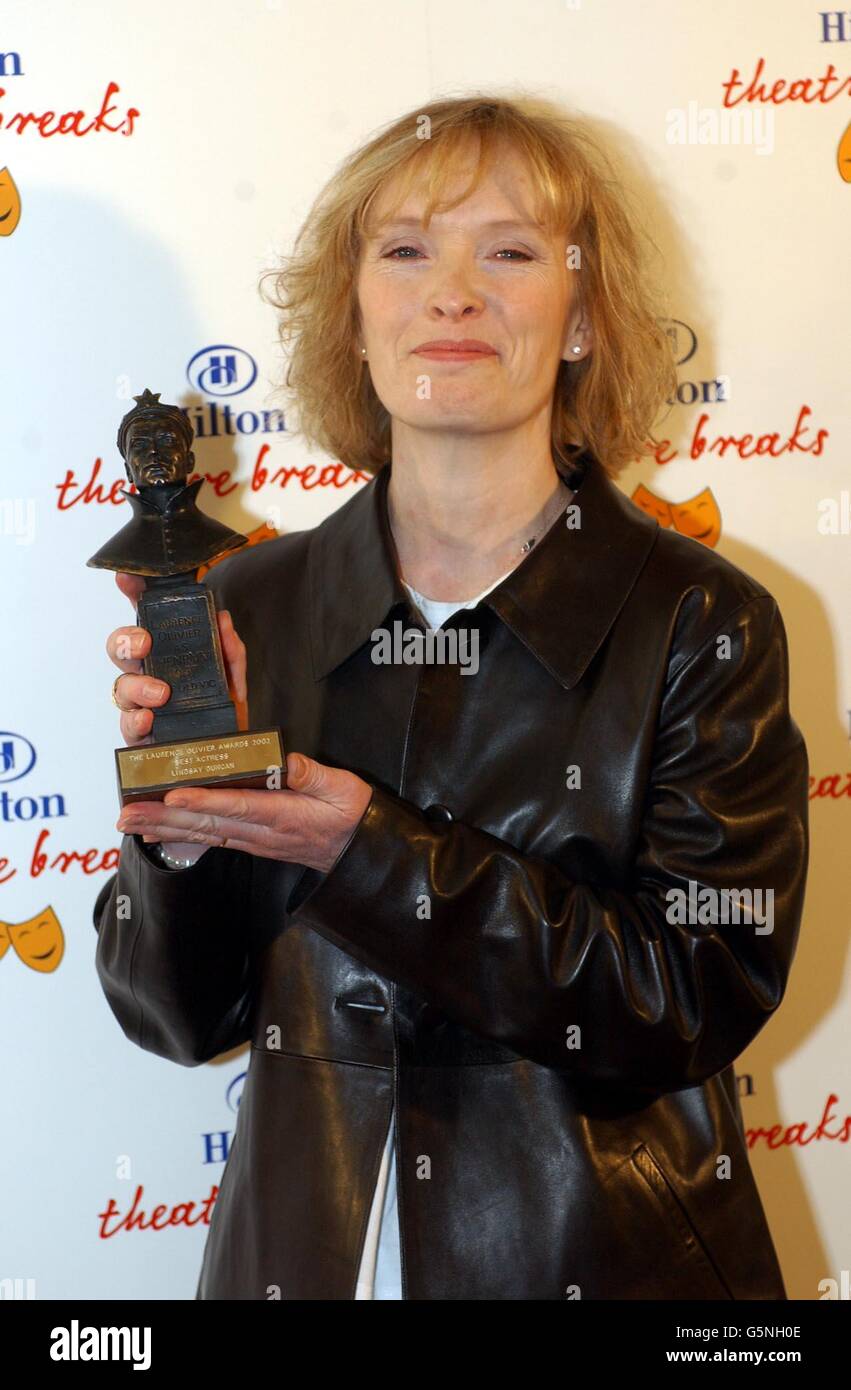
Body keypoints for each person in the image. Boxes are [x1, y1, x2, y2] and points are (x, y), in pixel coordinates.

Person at [93, 94, 809, 1300]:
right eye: (407, 249)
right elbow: (176, 1017)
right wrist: (176, 840)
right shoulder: (250, 603)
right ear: (356, 317)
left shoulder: (700, 620)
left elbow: (688, 1000)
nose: (453, 291)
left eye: (512, 251)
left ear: (581, 322)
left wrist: (366, 853)